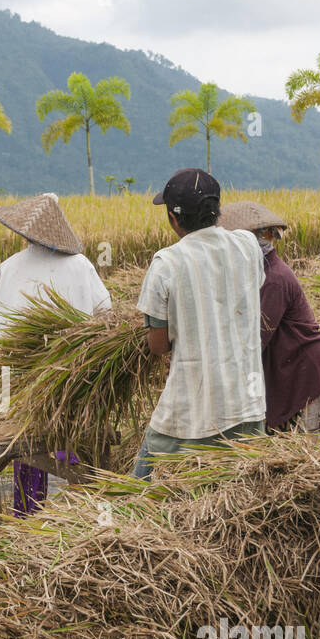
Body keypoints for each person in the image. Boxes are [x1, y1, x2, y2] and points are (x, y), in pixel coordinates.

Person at [133, 169, 266, 480]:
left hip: (193, 408)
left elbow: (158, 346)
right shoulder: (248, 245)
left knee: (139, 490)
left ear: (174, 219)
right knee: (235, 491)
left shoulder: (166, 263)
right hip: (247, 405)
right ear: (216, 211)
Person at [0, 193, 110, 515]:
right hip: (72, 383)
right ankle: (86, 508)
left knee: (28, 448)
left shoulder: (8, 268)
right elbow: (105, 314)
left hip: (22, 385)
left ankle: (27, 513)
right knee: (78, 443)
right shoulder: (81, 266)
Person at [218, 201, 320, 441]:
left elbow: (253, 340)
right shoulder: (256, 276)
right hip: (294, 381)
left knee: (315, 469)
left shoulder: (273, 279)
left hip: (311, 383)